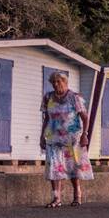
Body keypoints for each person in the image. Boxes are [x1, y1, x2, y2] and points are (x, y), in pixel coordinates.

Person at [39, 70, 93, 207]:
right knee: (54, 168)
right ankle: (56, 198)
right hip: (53, 137)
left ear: (65, 82)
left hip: (73, 138)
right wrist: (42, 136)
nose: (56, 84)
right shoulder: (48, 98)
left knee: (73, 167)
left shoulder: (74, 97)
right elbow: (46, 118)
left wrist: (85, 135)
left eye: (59, 81)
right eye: (53, 82)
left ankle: (77, 195)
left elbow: (85, 118)